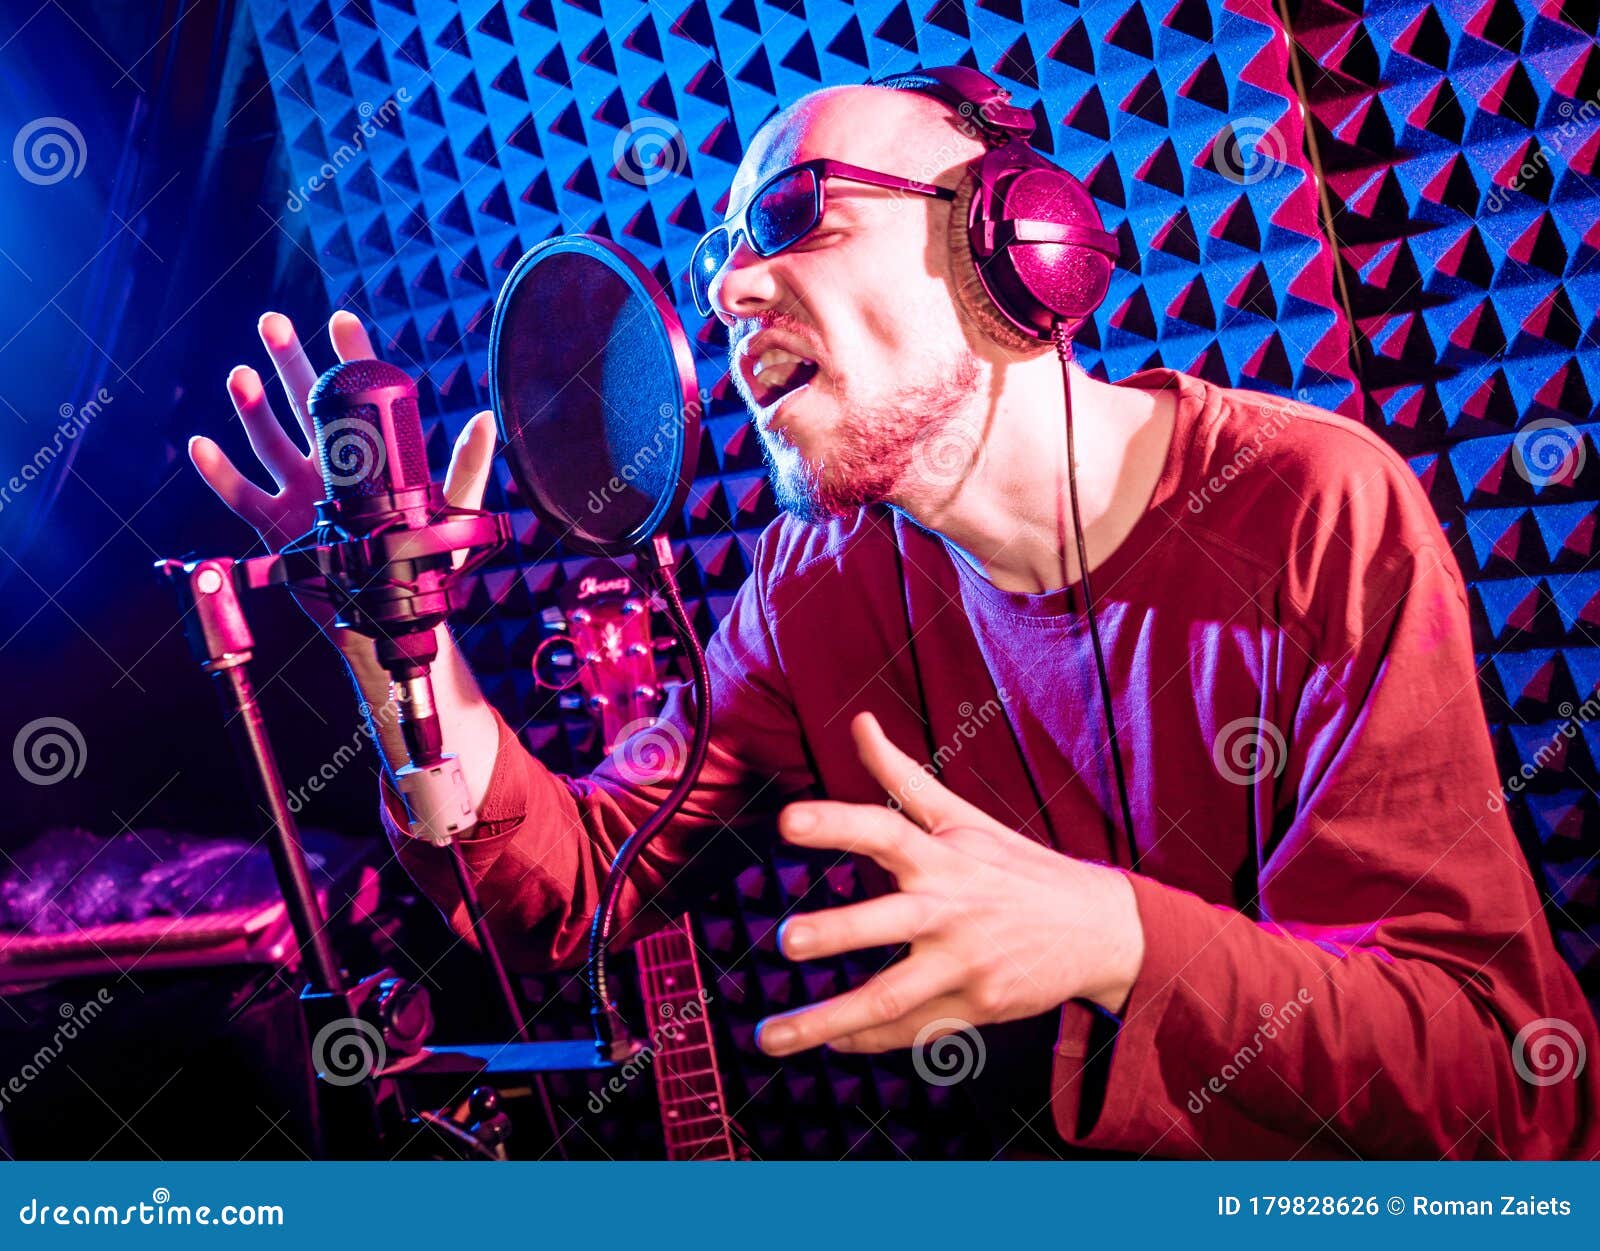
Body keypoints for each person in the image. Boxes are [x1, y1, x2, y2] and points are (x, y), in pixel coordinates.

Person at [189, 74, 1600, 1159]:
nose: (731, 290)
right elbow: (574, 898)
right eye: (720, 263)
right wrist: (395, 641)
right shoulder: (818, 588)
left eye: (795, 219)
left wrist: (1117, 939)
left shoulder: (1303, 504)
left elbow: (1493, 1082)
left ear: (1016, 242)